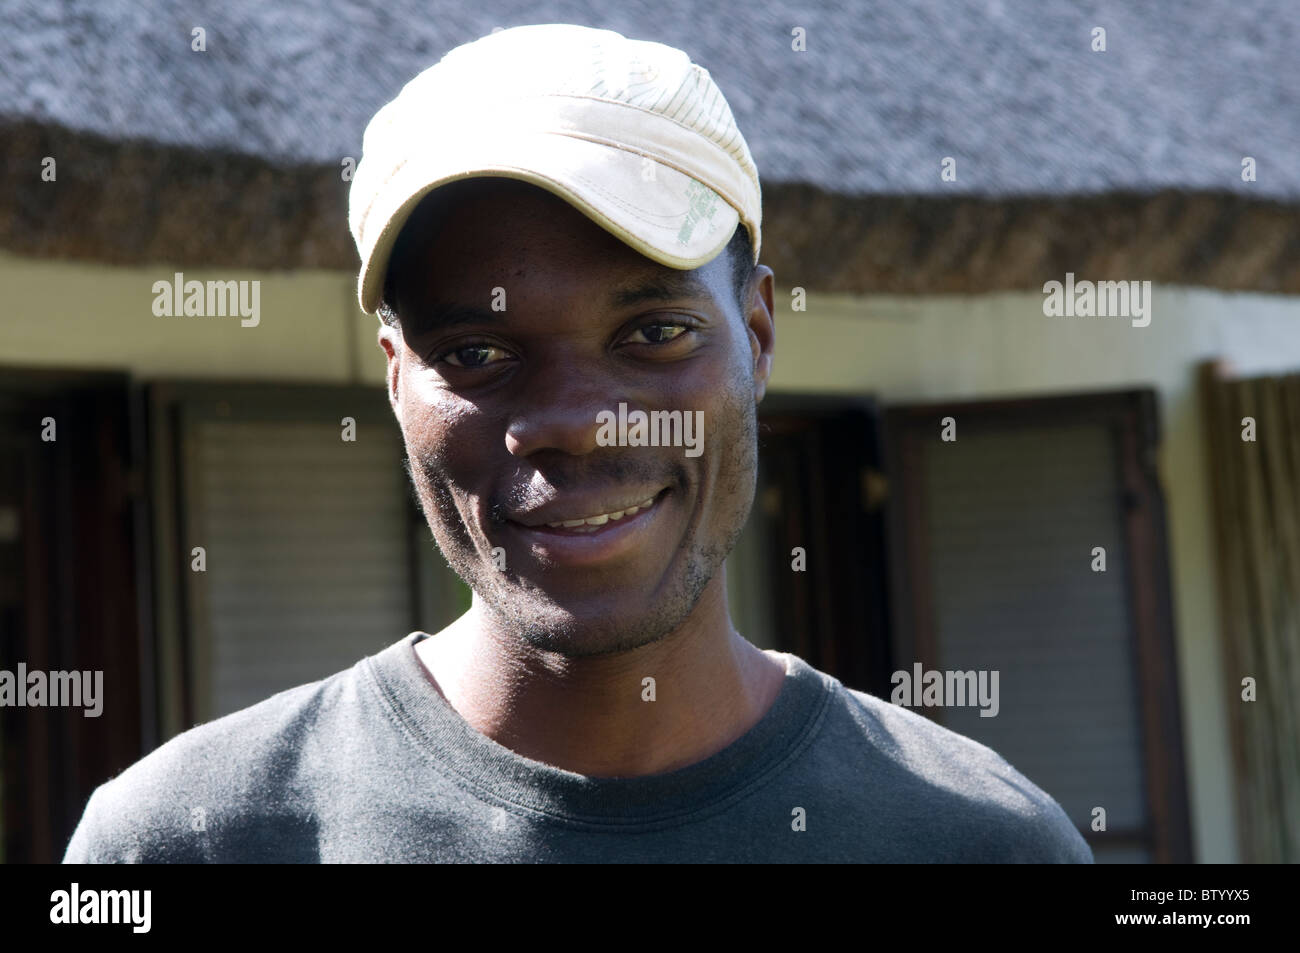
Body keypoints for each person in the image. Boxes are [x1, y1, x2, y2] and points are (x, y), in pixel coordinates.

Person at [64, 23, 1092, 863]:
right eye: (476, 351)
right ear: (394, 377)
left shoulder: (982, 842)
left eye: (653, 333)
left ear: (760, 336)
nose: (573, 416)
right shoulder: (180, 844)